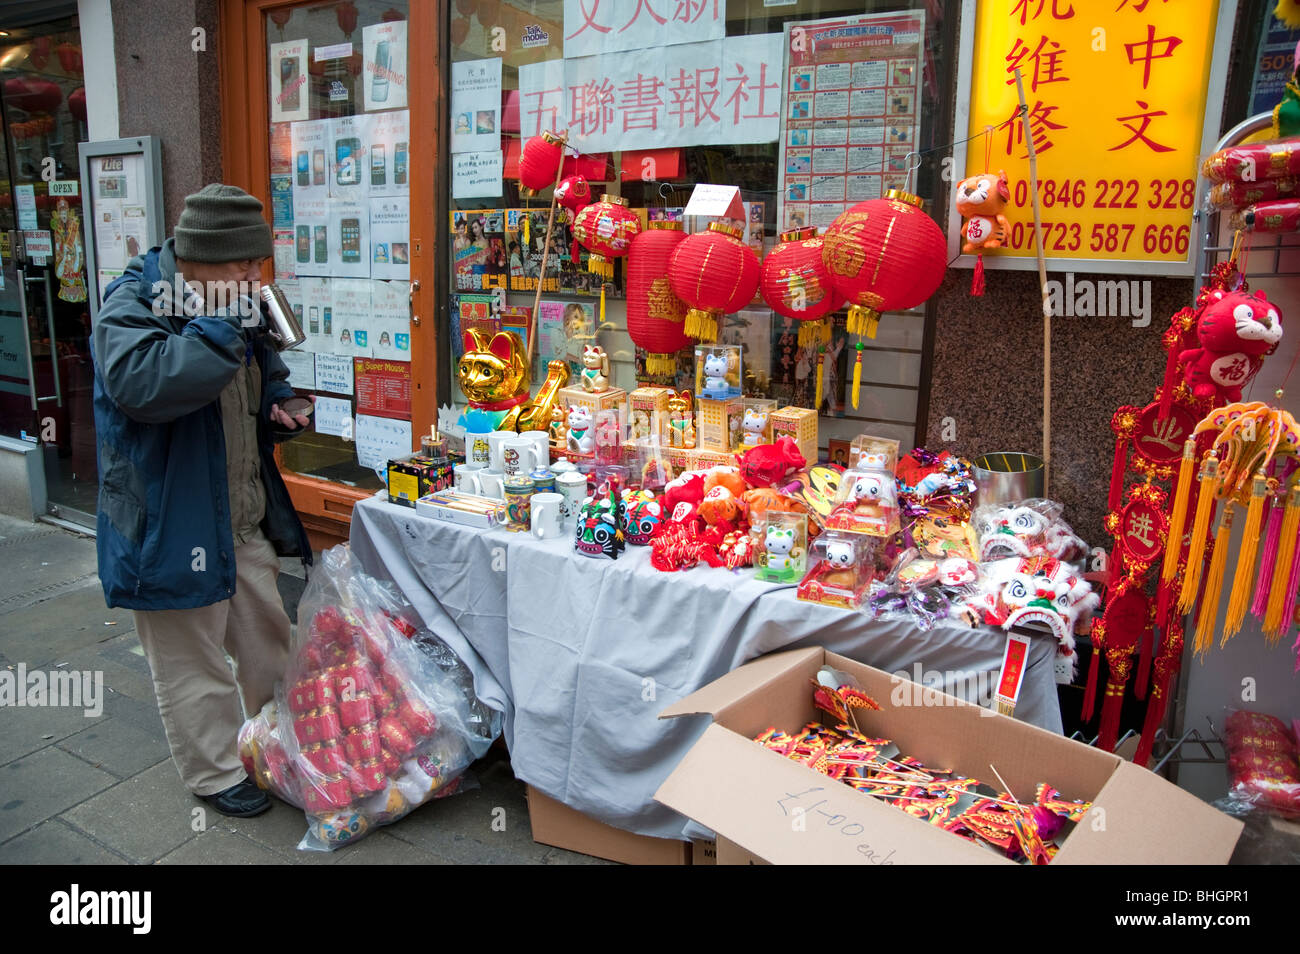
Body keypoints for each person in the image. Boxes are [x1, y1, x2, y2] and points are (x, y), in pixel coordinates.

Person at [90, 184, 313, 818]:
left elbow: (259, 369)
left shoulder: (231, 302)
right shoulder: (132, 302)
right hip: (169, 518)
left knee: (269, 637)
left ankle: (274, 745)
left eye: (258, 264)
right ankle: (215, 773)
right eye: (242, 264)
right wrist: (223, 326)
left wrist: (278, 400)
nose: (254, 275)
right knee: (192, 656)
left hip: (239, 510)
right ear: (196, 257)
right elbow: (144, 383)